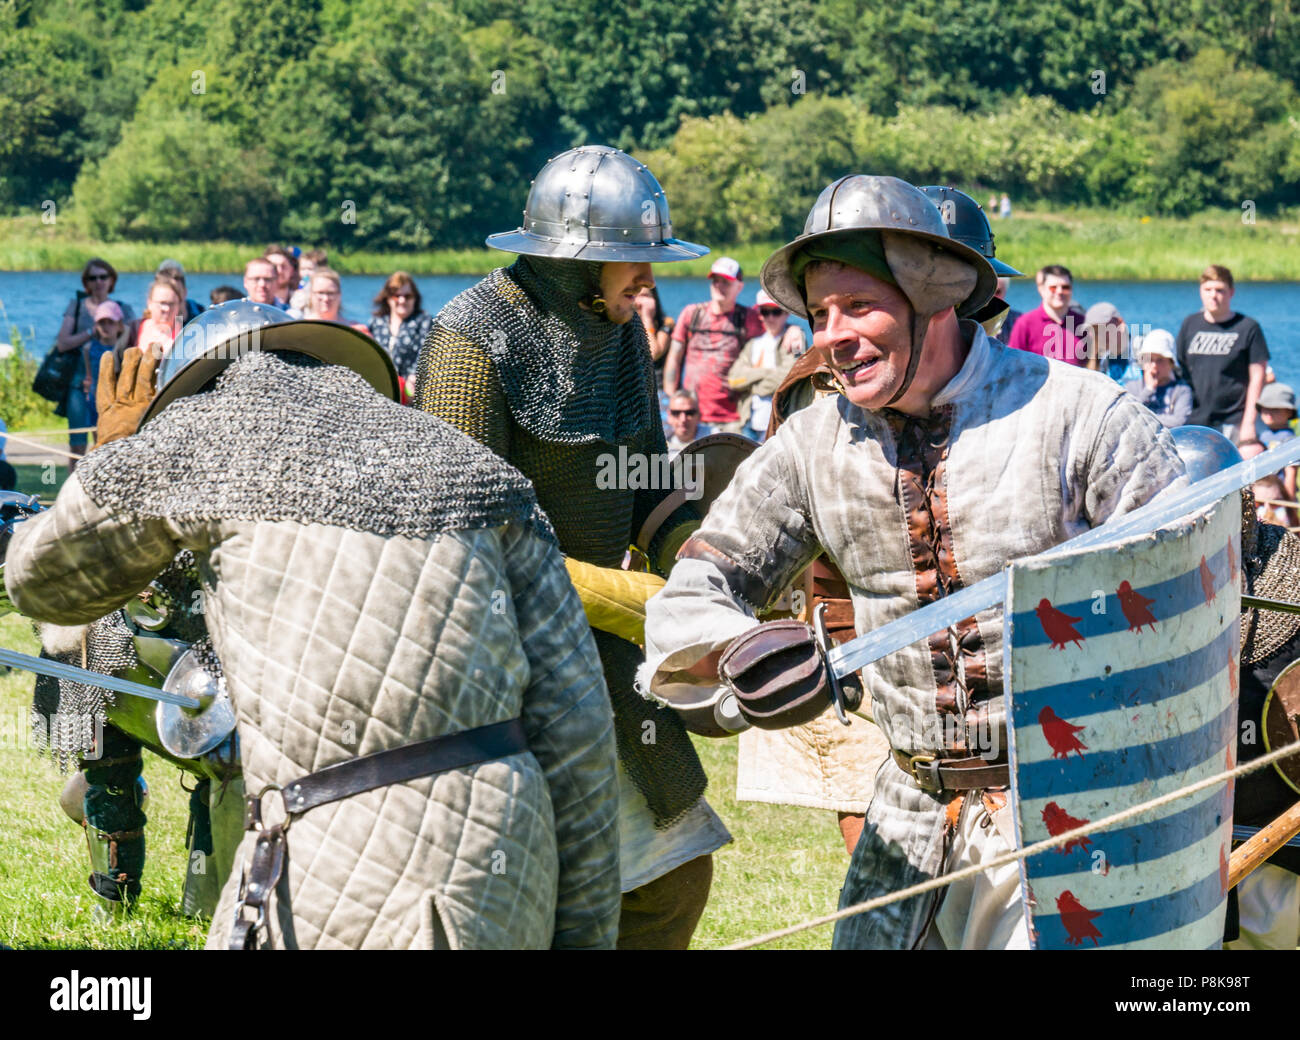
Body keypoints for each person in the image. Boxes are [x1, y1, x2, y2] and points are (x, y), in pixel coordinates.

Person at [640, 174, 1186, 950]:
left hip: (1077, 813)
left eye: (858, 304)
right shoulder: (813, 445)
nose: (832, 334)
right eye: (821, 313)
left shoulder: (1081, 416)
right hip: (907, 820)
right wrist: (737, 652)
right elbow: (702, 580)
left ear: (933, 295)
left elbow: (1185, 608)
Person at [5, 301, 622, 949]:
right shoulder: (480, 473)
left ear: (194, 394)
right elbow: (579, 735)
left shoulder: (197, 443)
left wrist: (121, 456)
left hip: (327, 862)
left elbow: (41, 583)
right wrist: (584, 935)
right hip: (508, 867)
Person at [415, 145, 729, 950]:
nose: (648, 282)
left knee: (672, 873)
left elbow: (643, 478)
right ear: (577, 261)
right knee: (530, 897)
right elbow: (463, 543)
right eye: (633, 264)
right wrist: (633, 600)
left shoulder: (616, 331)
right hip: (503, 662)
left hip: (608, 657)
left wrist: (698, 561)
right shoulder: (471, 340)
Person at [662, 257, 762, 432]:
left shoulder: (747, 318)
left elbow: (776, 333)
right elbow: (674, 358)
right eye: (715, 281)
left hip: (734, 418)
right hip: (692, 416)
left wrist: (794, 331)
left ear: (739, 287)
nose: (719, 286)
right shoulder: (692, 314)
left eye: (726, 282)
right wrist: (672, 401)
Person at [55, 259, 137, 470]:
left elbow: (133, 344)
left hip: (112, 383)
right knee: (77, 443)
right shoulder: (77, 306)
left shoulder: (122, 309)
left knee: (105, 439)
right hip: (80, 382)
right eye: (93, 277)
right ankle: (70, 491)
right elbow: (63, 343)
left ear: (111, 280)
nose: (99, 282)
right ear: (86, 282)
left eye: (103, 277)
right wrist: (93, 331)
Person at [1176, 264, 1269, 442]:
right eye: (1208, 289)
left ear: (1231, 292)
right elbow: (1180, 369)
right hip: (1195, 419)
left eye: (1220, 290)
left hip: (1233, 421)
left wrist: (1249, 422)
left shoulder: (1248, 327)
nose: (1213, 295)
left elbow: (1258, 377)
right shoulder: (1190, 324)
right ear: (1200, 291)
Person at [726, 289, 802, 443]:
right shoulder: (753, 344)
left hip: (781, 424)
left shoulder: (795, 340)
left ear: (786, 313)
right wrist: (766, 372)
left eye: (776, 312)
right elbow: (733, 379)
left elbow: (792, 375)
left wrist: (754, 386)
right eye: (765, 312)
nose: (770, 317)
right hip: (750, 424)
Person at [1006, 264, 1087, 366]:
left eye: (1065, 287)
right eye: (1053, 288)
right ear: (1041, 290)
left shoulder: (1083, 323)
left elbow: (1093, 366)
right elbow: (1013, 365)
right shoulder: (1025, 324)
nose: (1060, 292)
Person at [368, 272, 432, 391]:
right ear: (387, 297)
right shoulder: (376, 323)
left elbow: (425, 354)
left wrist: (413, 378)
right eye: (396, 295)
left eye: (407, 296)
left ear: (415, 298)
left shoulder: (425, 321)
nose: (402, 300)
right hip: (379, 388)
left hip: (411, 390)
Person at [1123, 329, 1192, 428]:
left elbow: (1179, 422)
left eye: (1160, 360)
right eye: (1150, 359)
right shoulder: (1131, 387)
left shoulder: (1182, 390)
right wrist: (1148, 390)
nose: (1154, 365)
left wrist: (1142, 417)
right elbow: (1127, 415)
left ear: (1171, 363)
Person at [134, 276, 185, 360]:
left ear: (179, 305)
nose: (167, 309)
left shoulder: (188, 332)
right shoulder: (133, 330)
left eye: (171, 304)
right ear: (149, 303)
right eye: (162, 303)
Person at [310, 268, 370, 335]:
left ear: (339, 295)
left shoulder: (358, 331)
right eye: (320, 293)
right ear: (311, 294)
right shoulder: (299, 327)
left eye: (330, 293)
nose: (325, 298)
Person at [1082, 301, 1127, 377]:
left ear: (1121, 324)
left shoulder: (1142, 354)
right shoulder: (1100, 361)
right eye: (1096, 332)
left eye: (1105, 329)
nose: (1101, 337)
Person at [635, 285, 674, 368]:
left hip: (657, 379)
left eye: (644, 296)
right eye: (635, 296)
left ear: (654, 299)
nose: (640, 301)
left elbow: (653, 353)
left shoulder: (666, 324)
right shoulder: (624, 326)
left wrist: (647, 318)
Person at [666, 389, 705, 454]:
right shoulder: (661, 447)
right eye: (676, 413)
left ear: (699, 415)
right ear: (669, 416)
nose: (683, 419)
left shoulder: (715, 439)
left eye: (689, 413)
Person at [290, 249, 327, 316]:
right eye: (303, 269)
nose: (306, 273)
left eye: (310, 269)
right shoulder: (302, 283)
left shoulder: (318, 286)